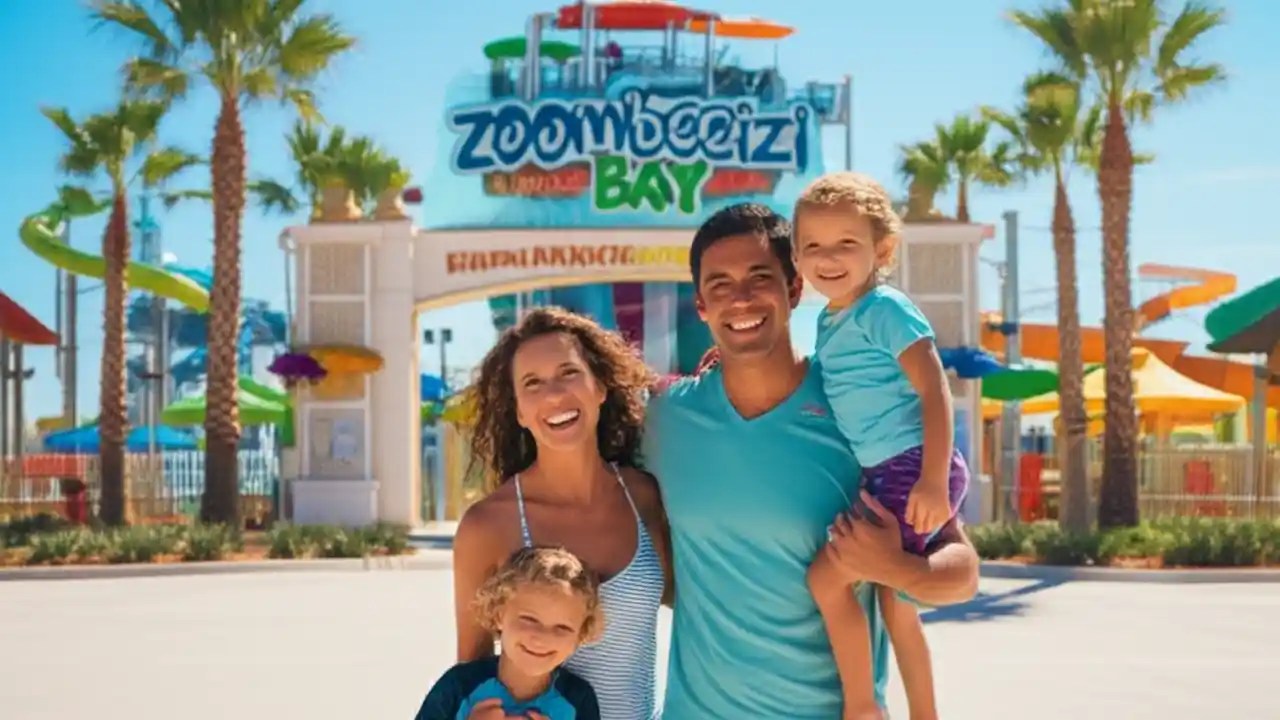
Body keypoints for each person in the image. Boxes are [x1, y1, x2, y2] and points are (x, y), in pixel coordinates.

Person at [643, 202, 980, 720]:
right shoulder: (664, 419)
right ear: (702, 306)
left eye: (760, 277)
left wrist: (897, 568)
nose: (742, 299)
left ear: (794, 289)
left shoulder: (857, 408)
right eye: (720, 285)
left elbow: (962, 574)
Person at [793, 172, 969, 720]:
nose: (828, 257)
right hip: (886, 471)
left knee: (827, 579)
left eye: (846, 243)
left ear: (882, 249)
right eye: (812, 246)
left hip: (911, 465)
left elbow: (935, 389)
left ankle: (861, 705)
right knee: (895, 604)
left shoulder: (884, 309)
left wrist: (933, 479)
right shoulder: (828, 319)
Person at [452, 307, 671, 720]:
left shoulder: (643, 496)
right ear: (518, 411)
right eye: (532, 384)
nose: (554, 395)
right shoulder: (488, 526)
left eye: (568, 373)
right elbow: (469, 676)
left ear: (600, 386)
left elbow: (704, 597)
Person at [416, 546, 603, 720]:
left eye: (562, 628)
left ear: (581, 634)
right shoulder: (458, 686)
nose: (542, 638)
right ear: (499, 615)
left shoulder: (578, 698)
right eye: (529, 620)